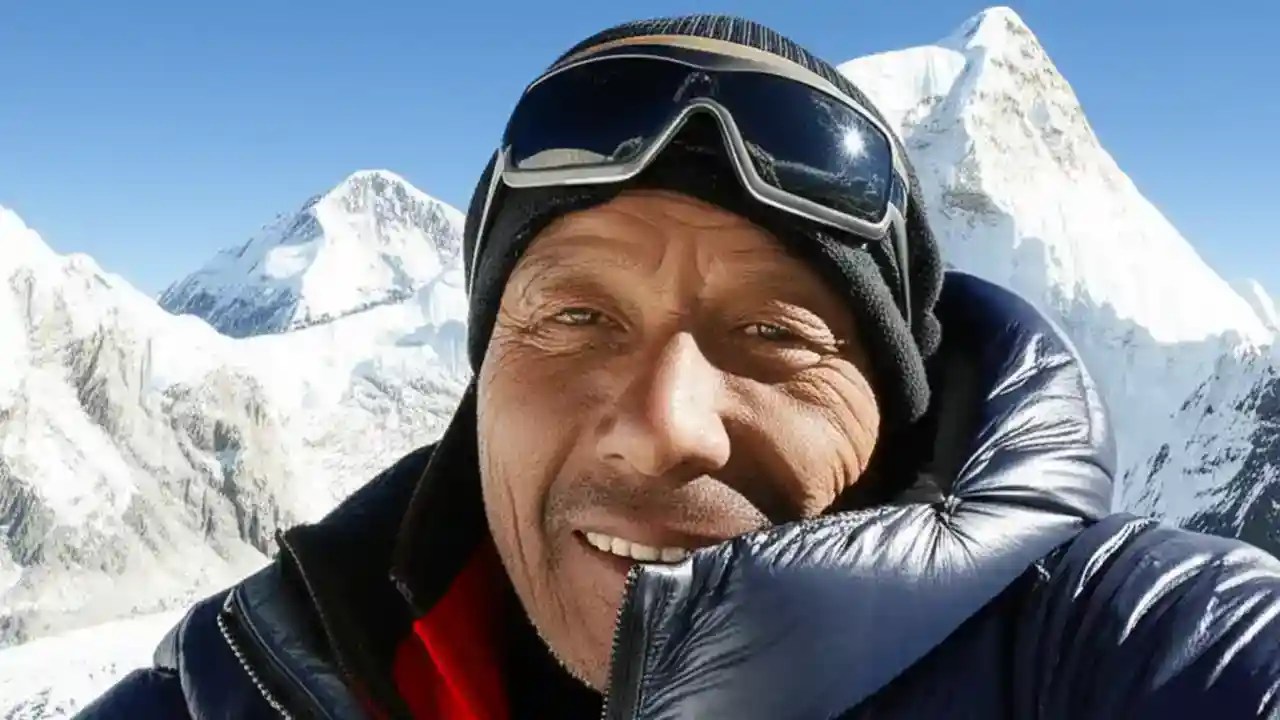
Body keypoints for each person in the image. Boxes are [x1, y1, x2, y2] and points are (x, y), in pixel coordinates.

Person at [77, 15, 1280, 720]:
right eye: (575, 317)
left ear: (891, 409)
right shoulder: (251, 680)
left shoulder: (1099, 652)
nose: (664, 425)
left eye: (777, 335)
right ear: (481, 377)